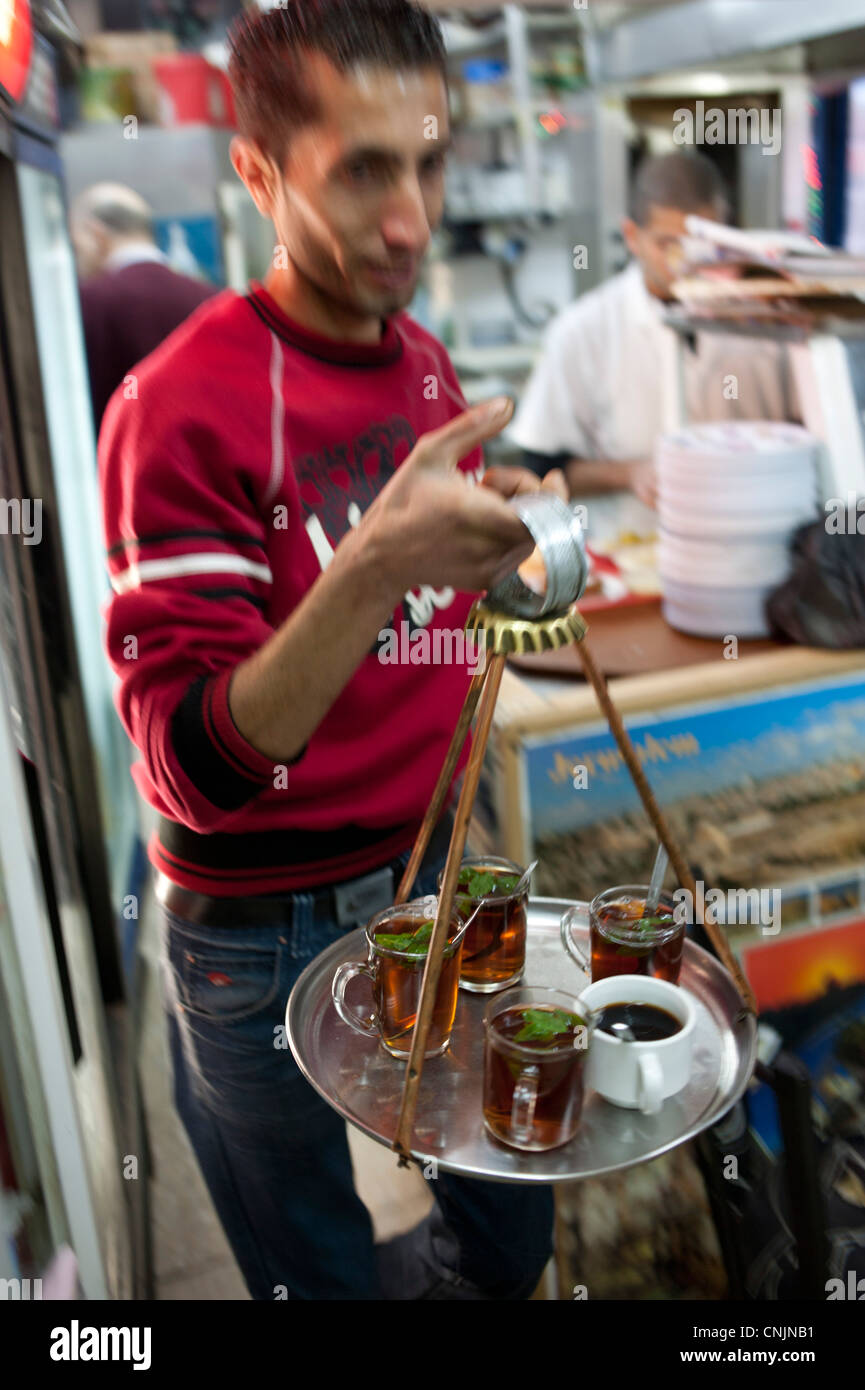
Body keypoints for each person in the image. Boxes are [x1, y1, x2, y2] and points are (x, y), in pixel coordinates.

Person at [98, 0, 566, 1301]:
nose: (412, 218)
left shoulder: (420, 361)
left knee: (511, 1229)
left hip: (435, 878)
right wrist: (370, 564)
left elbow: (432, 630)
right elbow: (194, 764)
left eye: (429, 163)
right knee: (313, 1267)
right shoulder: (178, 406)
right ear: (257, 175)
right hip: (257, 927)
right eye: (363, 170)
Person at [509, 151, 797, 509]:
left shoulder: (770, 319)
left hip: (758, 540)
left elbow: (808, 432)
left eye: (704, 244)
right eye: (667, 245)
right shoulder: (582, 332)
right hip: (635, 550)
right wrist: (630, 474)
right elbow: (540, 470)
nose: (687, 261)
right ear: (632, 236)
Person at [71, 183, 216, 426]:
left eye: (76, 245)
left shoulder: (87, 301)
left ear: (96, 235)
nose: (76, 258)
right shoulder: (212, 297)